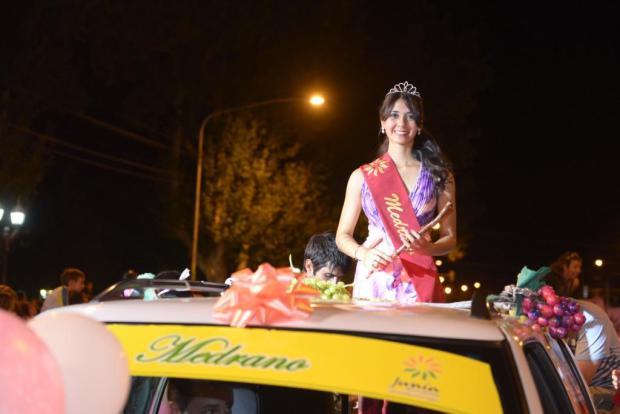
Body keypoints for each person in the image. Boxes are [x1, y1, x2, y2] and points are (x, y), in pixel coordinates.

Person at [336, 81, 456, 304]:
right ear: (382, 122)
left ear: (419, 125)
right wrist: (363, 254)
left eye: (410, 116)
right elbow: (342, 236)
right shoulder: (362, 176)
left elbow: (450, 239)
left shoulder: (440, 176)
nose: (401, 123)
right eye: (394, 115)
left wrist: (428, 248)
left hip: (419, 278)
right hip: (375, 277)